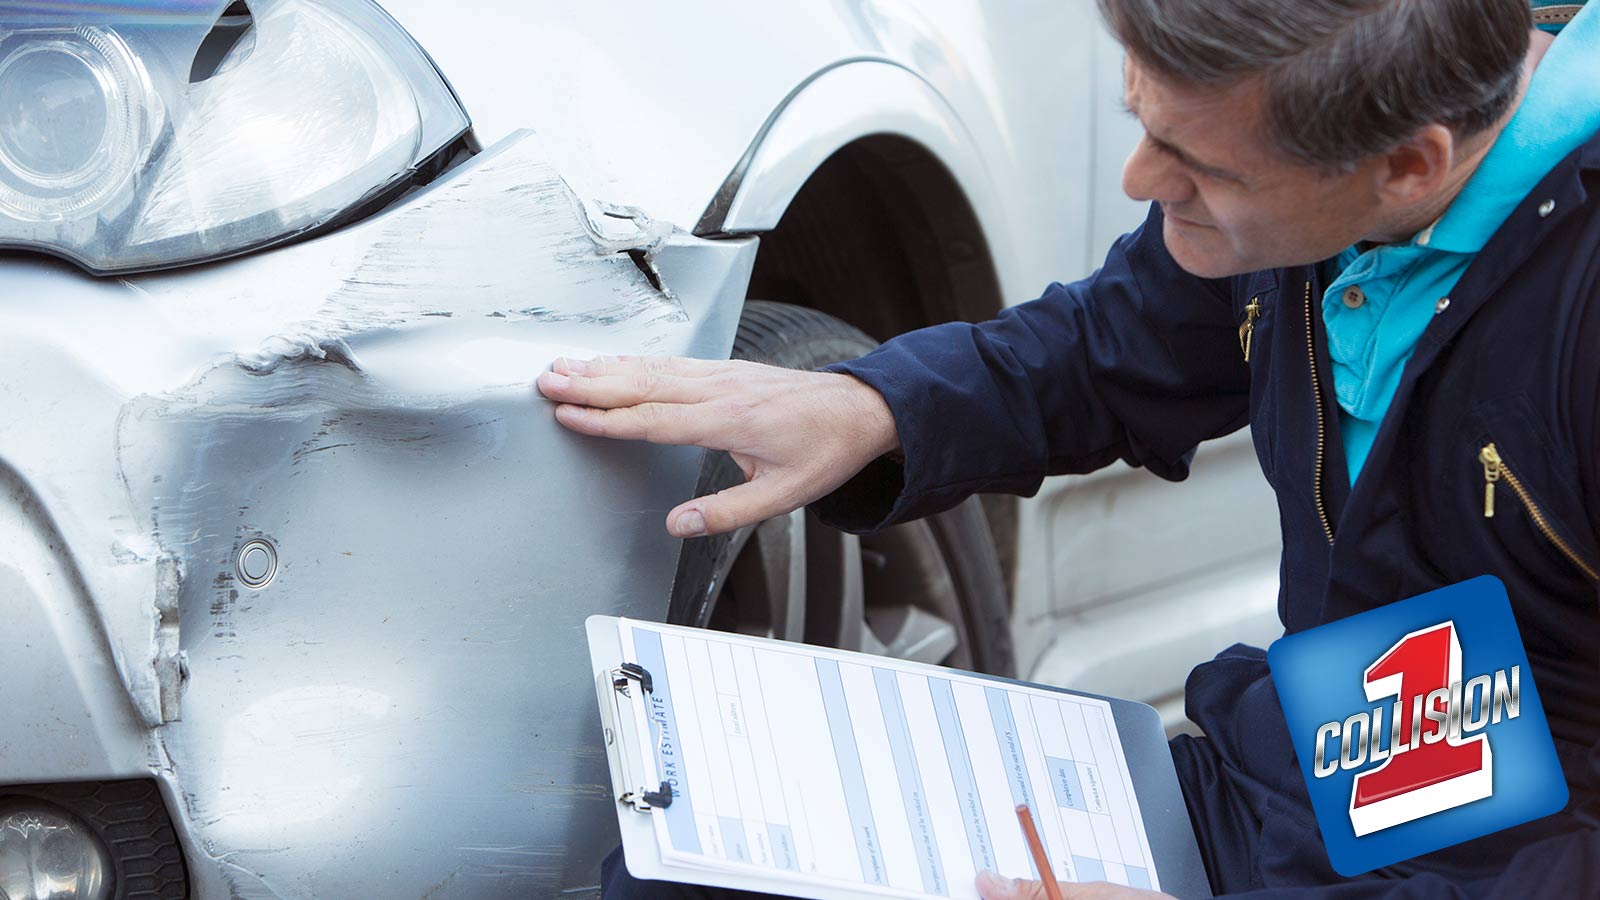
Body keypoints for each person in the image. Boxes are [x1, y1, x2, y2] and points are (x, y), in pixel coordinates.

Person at [536, 0, 1600, 896]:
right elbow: (1117, 345)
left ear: (1407, 165)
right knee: (703, 861)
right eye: (1137, 122)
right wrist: (869, 408)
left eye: (1194, 165)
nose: (1139, 180)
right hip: (1326, 780)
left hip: (1501, 861)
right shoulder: (1324, 181)